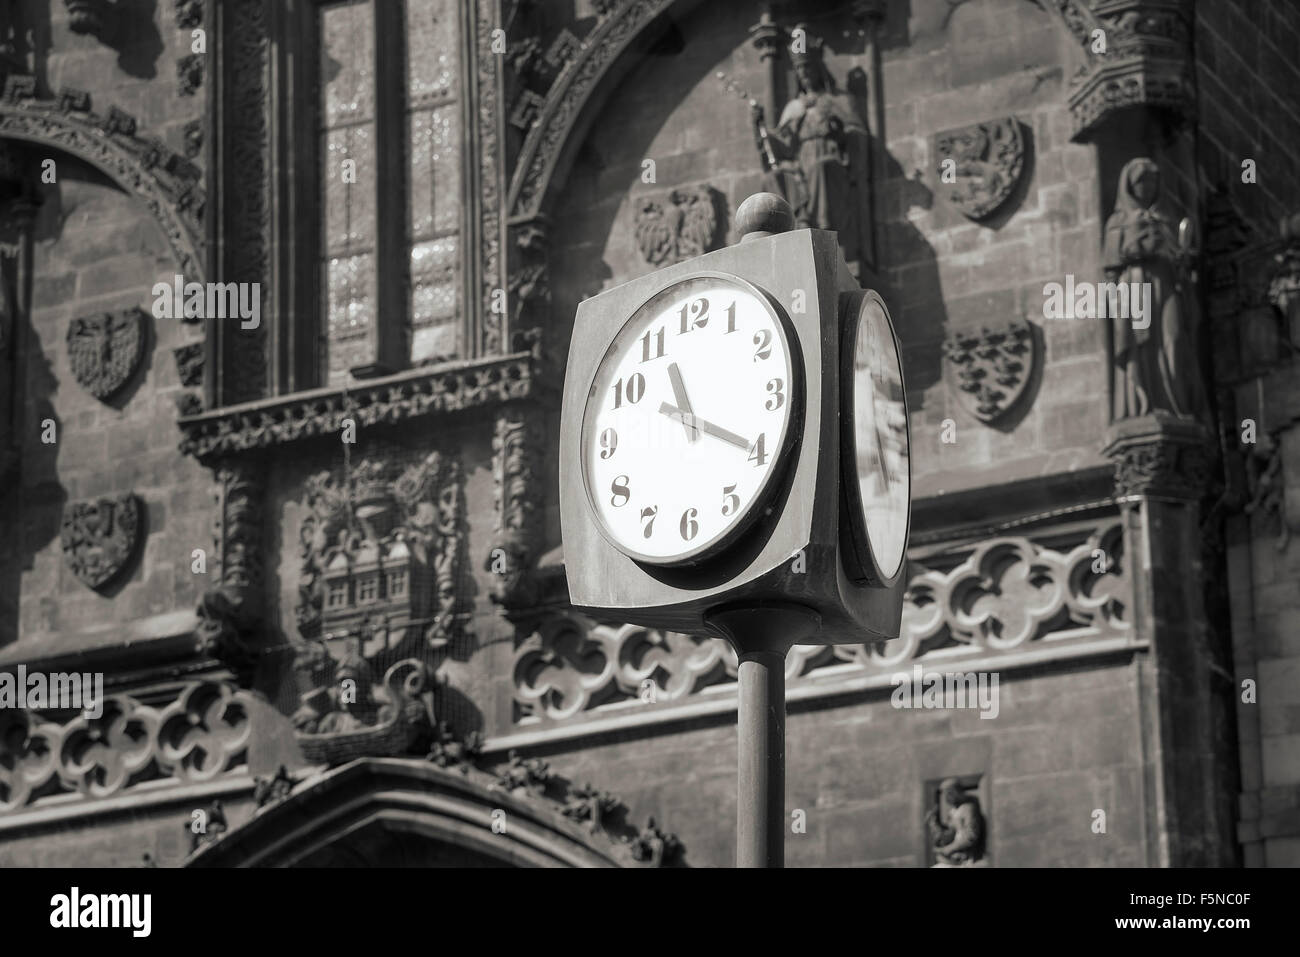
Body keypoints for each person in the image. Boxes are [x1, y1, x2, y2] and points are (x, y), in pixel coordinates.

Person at [751, 36, 869, 273]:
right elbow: (781, 146)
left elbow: (856, 132)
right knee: (773, 178)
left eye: (807, 67)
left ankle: (824, 232)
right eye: (799, 68)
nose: (804, 73)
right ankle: (791, 232)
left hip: (829, 156)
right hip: (801, 160)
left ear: (818, 68)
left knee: (821, 168)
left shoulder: (837, 100)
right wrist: (759, 124)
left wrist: (839, 133)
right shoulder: (794, 107)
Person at [1105, 157, 1205, 421]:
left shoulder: (1166, 220)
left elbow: (1179, 259)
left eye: (1152, 181)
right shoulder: (1118, 221)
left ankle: (1176, 406)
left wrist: (1182, 260)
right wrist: (1138, 250)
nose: (1147, 187)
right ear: (1129, 186)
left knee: (1174, 339)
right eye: (1141, 182)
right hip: (1136, 286)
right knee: (1141, 345)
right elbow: (1112, 264)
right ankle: (1143, 405)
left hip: (1167, 285)